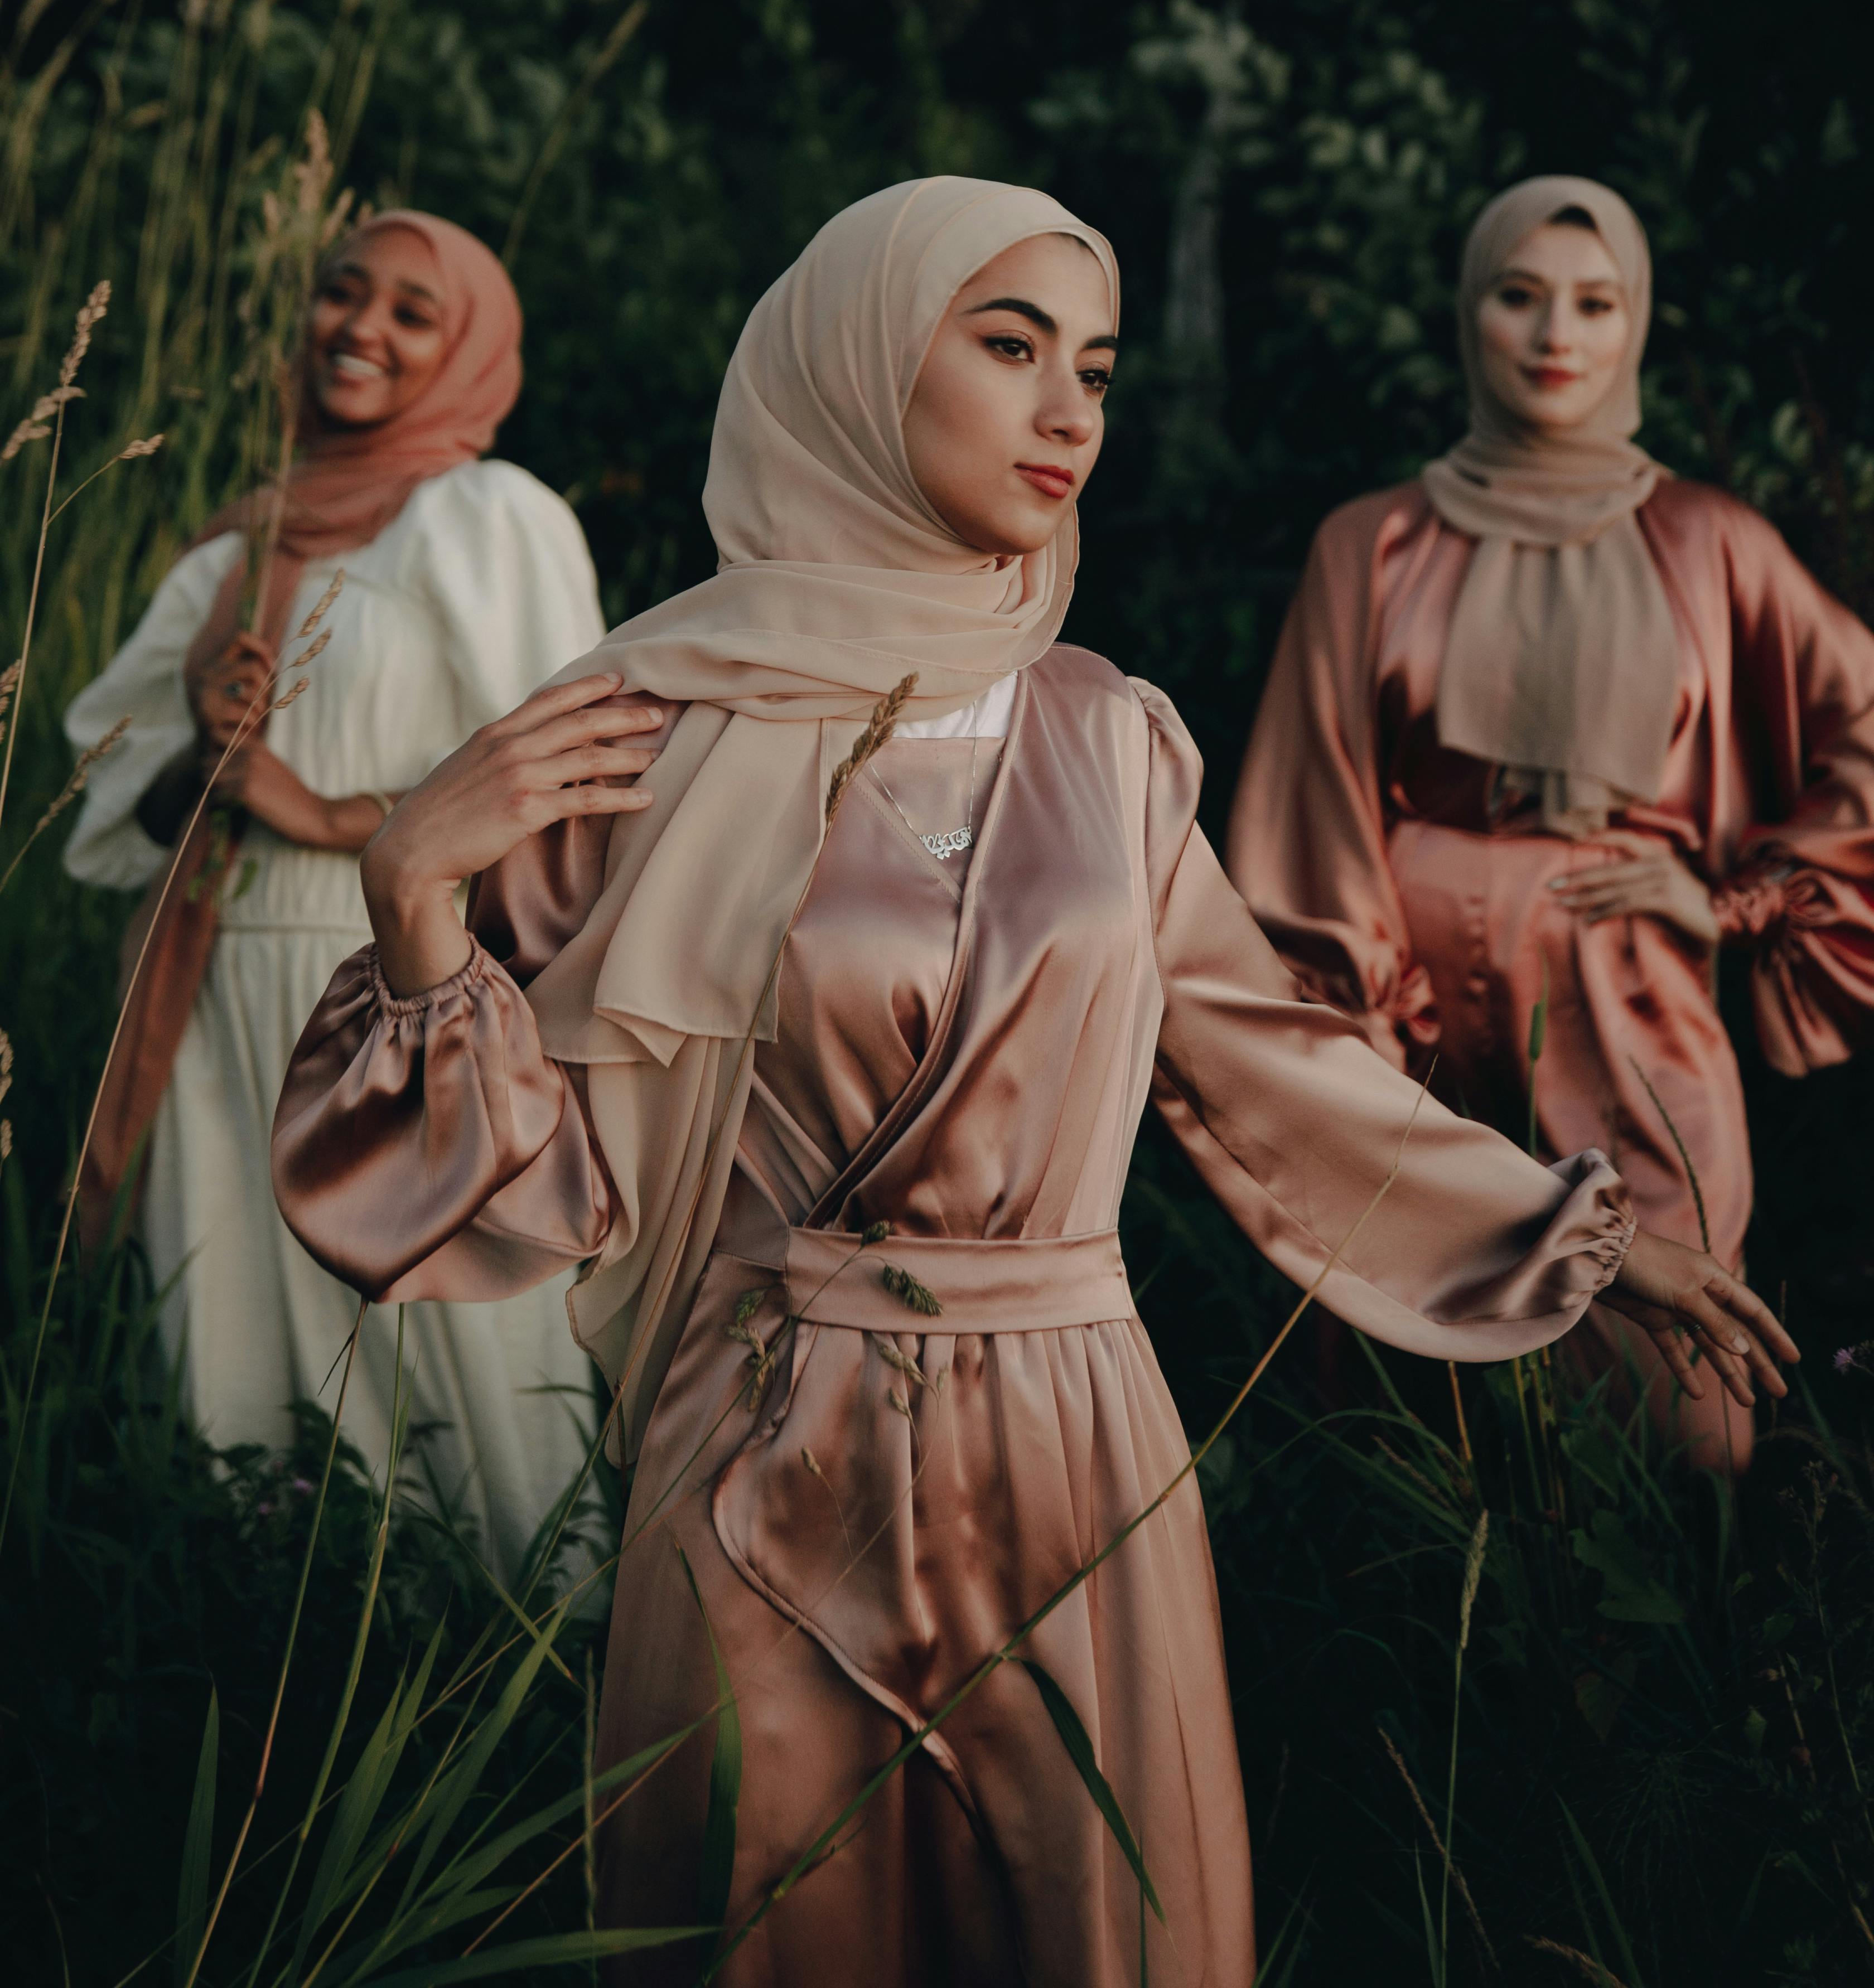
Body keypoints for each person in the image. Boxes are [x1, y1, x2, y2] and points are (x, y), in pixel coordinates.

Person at [271, 177, 1791, 1984]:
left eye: (1097, 364)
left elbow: (1284, 1077)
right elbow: (518, 1198)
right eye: (1009, 347)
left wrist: (1589, 1241)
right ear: (858, 361)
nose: (1073, 409)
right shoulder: (650, 721)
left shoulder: (1111, 734)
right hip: (760, 1450)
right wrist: (414, 906)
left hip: (1076, 1448)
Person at [1228, 172, 1874, 1472]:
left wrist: (1740, 904)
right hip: (1407, 1025)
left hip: (1632, 1007)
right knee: (1429, 1404)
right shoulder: (1375, 544)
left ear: (1637, 324)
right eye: (1520, 297)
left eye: (1595, 302)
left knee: (1679, 1407)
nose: (1555, 337)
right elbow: (1311, 796)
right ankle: (1456, 1670)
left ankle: (1676, 1664)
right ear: (1473, 316)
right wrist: (1360, 1032)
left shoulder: (1710, 542)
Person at [64, 210, 607, 1576]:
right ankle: (274, 1635)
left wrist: (321, 811)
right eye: (340, 294)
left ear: (469, 347)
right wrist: (204, 750)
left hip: (398, 985)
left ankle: (529, 1644)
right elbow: (102, 814)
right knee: (240, 1338)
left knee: (450, 1337)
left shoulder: (488, 518)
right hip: (215, 981)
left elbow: (569, 788)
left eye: (412, 313)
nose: (360, 328)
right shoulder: (238, 544)